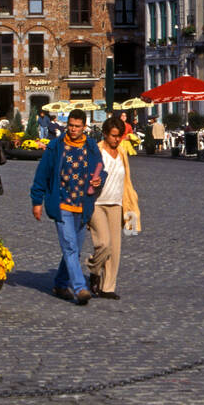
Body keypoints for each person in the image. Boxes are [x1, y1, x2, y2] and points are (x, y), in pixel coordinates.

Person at [30, 109, 103, 305]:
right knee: (70, 247)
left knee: (74, 249)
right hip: (61, 203)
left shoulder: (91, 146)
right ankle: (80, 288)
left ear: (84, 127)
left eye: (77, 126)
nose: (73, 129)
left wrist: (98, 180)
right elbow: (42, 175)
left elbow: (100, 169)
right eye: (70, 125)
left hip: (82, 205)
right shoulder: (56, 147)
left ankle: (61, 283)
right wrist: (37, 201)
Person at [86, 117, 134, 299]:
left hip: (116, 203)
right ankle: (94, 269)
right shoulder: (96, 151)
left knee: (115, 248)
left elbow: (127, 179)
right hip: (97, 202)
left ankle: (108, 287)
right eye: (114, 136)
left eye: (119, 136)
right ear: (105, 134)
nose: (117, 140)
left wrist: (130, 203)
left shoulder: (122, 152)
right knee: (103, 243)